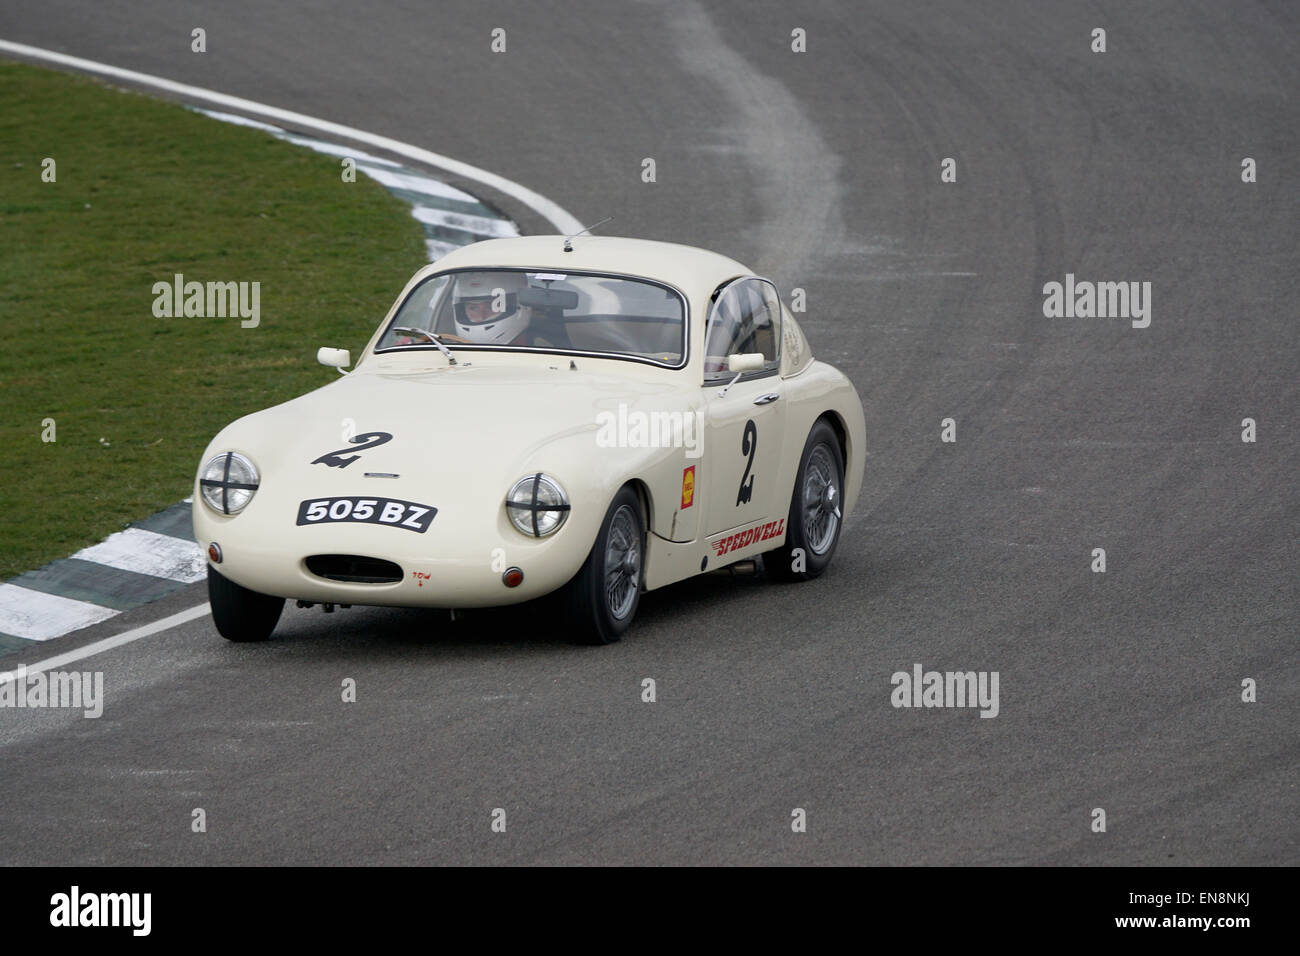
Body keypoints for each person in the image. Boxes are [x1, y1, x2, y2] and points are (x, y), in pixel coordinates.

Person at [451, 271, 535, 346]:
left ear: (522, 308)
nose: (481, 317)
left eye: (492, 307)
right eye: (473, 308)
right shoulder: (452, 351)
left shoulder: (543, 355)